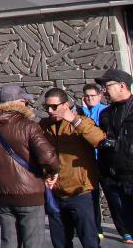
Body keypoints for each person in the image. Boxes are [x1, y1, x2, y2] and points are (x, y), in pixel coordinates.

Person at [0, 84, 61, 248]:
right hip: (30, 194)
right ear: (21, 102)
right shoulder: (29, 126)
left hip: (2, 195)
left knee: (9, 242)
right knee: (33, 242)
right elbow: (49, 157)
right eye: (26, 102)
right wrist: (53, 172)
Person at [40, 87, 105, 248]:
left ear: (66, 105)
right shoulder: (43, 126)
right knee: (60, 242)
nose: (50, 110)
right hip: (56, 192)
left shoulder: (81, 122)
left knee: (89, 239)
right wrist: (45, 174)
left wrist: (73, 119)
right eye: (46, 107)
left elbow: (99, 139)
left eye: (54, 107)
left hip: (81, 192)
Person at [96, 69, 133, 245]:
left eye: (107, 86)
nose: (103, 90)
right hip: (112, 177)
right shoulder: (105, 114)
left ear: (122, 86)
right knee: (126, 224)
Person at [80, 83, 114, 241]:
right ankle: (97, 228)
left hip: (104, 159)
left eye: (93, 96)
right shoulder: (81, 112)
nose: (89, 98)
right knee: (91, 197)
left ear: (100, 96)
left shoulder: (105, 111)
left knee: (112, 196)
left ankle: (125, 228)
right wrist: (84, 111)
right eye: (87, 96)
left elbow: (94, 130)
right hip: (88, 161)